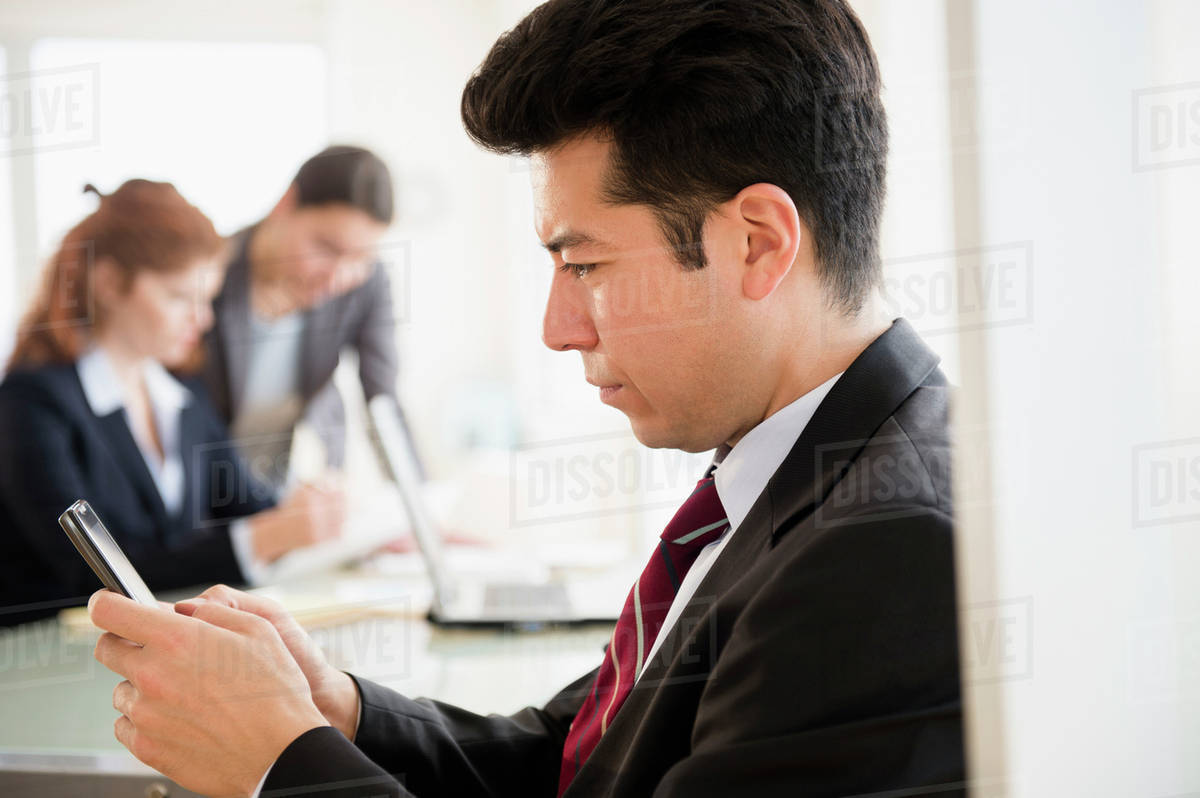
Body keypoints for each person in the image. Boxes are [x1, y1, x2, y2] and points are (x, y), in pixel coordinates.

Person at [87, 1, 966, 796]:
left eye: (584, 265)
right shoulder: (787, 471)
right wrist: (338, 713)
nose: (559, 327)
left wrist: (285, 763)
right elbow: (577, 758)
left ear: (756, 243)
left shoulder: (886, 552)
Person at [0, 180, 343, 626]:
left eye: (207, 299)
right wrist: (260, 540)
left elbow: (246, 505)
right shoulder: (30, 404)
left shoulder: (181, 395)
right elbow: (92, 575)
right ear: (107, 283)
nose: (202, 320)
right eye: (180, 297)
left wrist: (304, 512)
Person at [203, 145, 402, 490]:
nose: (337, 277)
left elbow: (383, 404)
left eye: (360, 258)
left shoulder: (367, 284)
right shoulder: (209, 272)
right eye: (327, 247)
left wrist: (419, 509)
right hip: (201, 497)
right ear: (286, 204)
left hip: (288, 491)